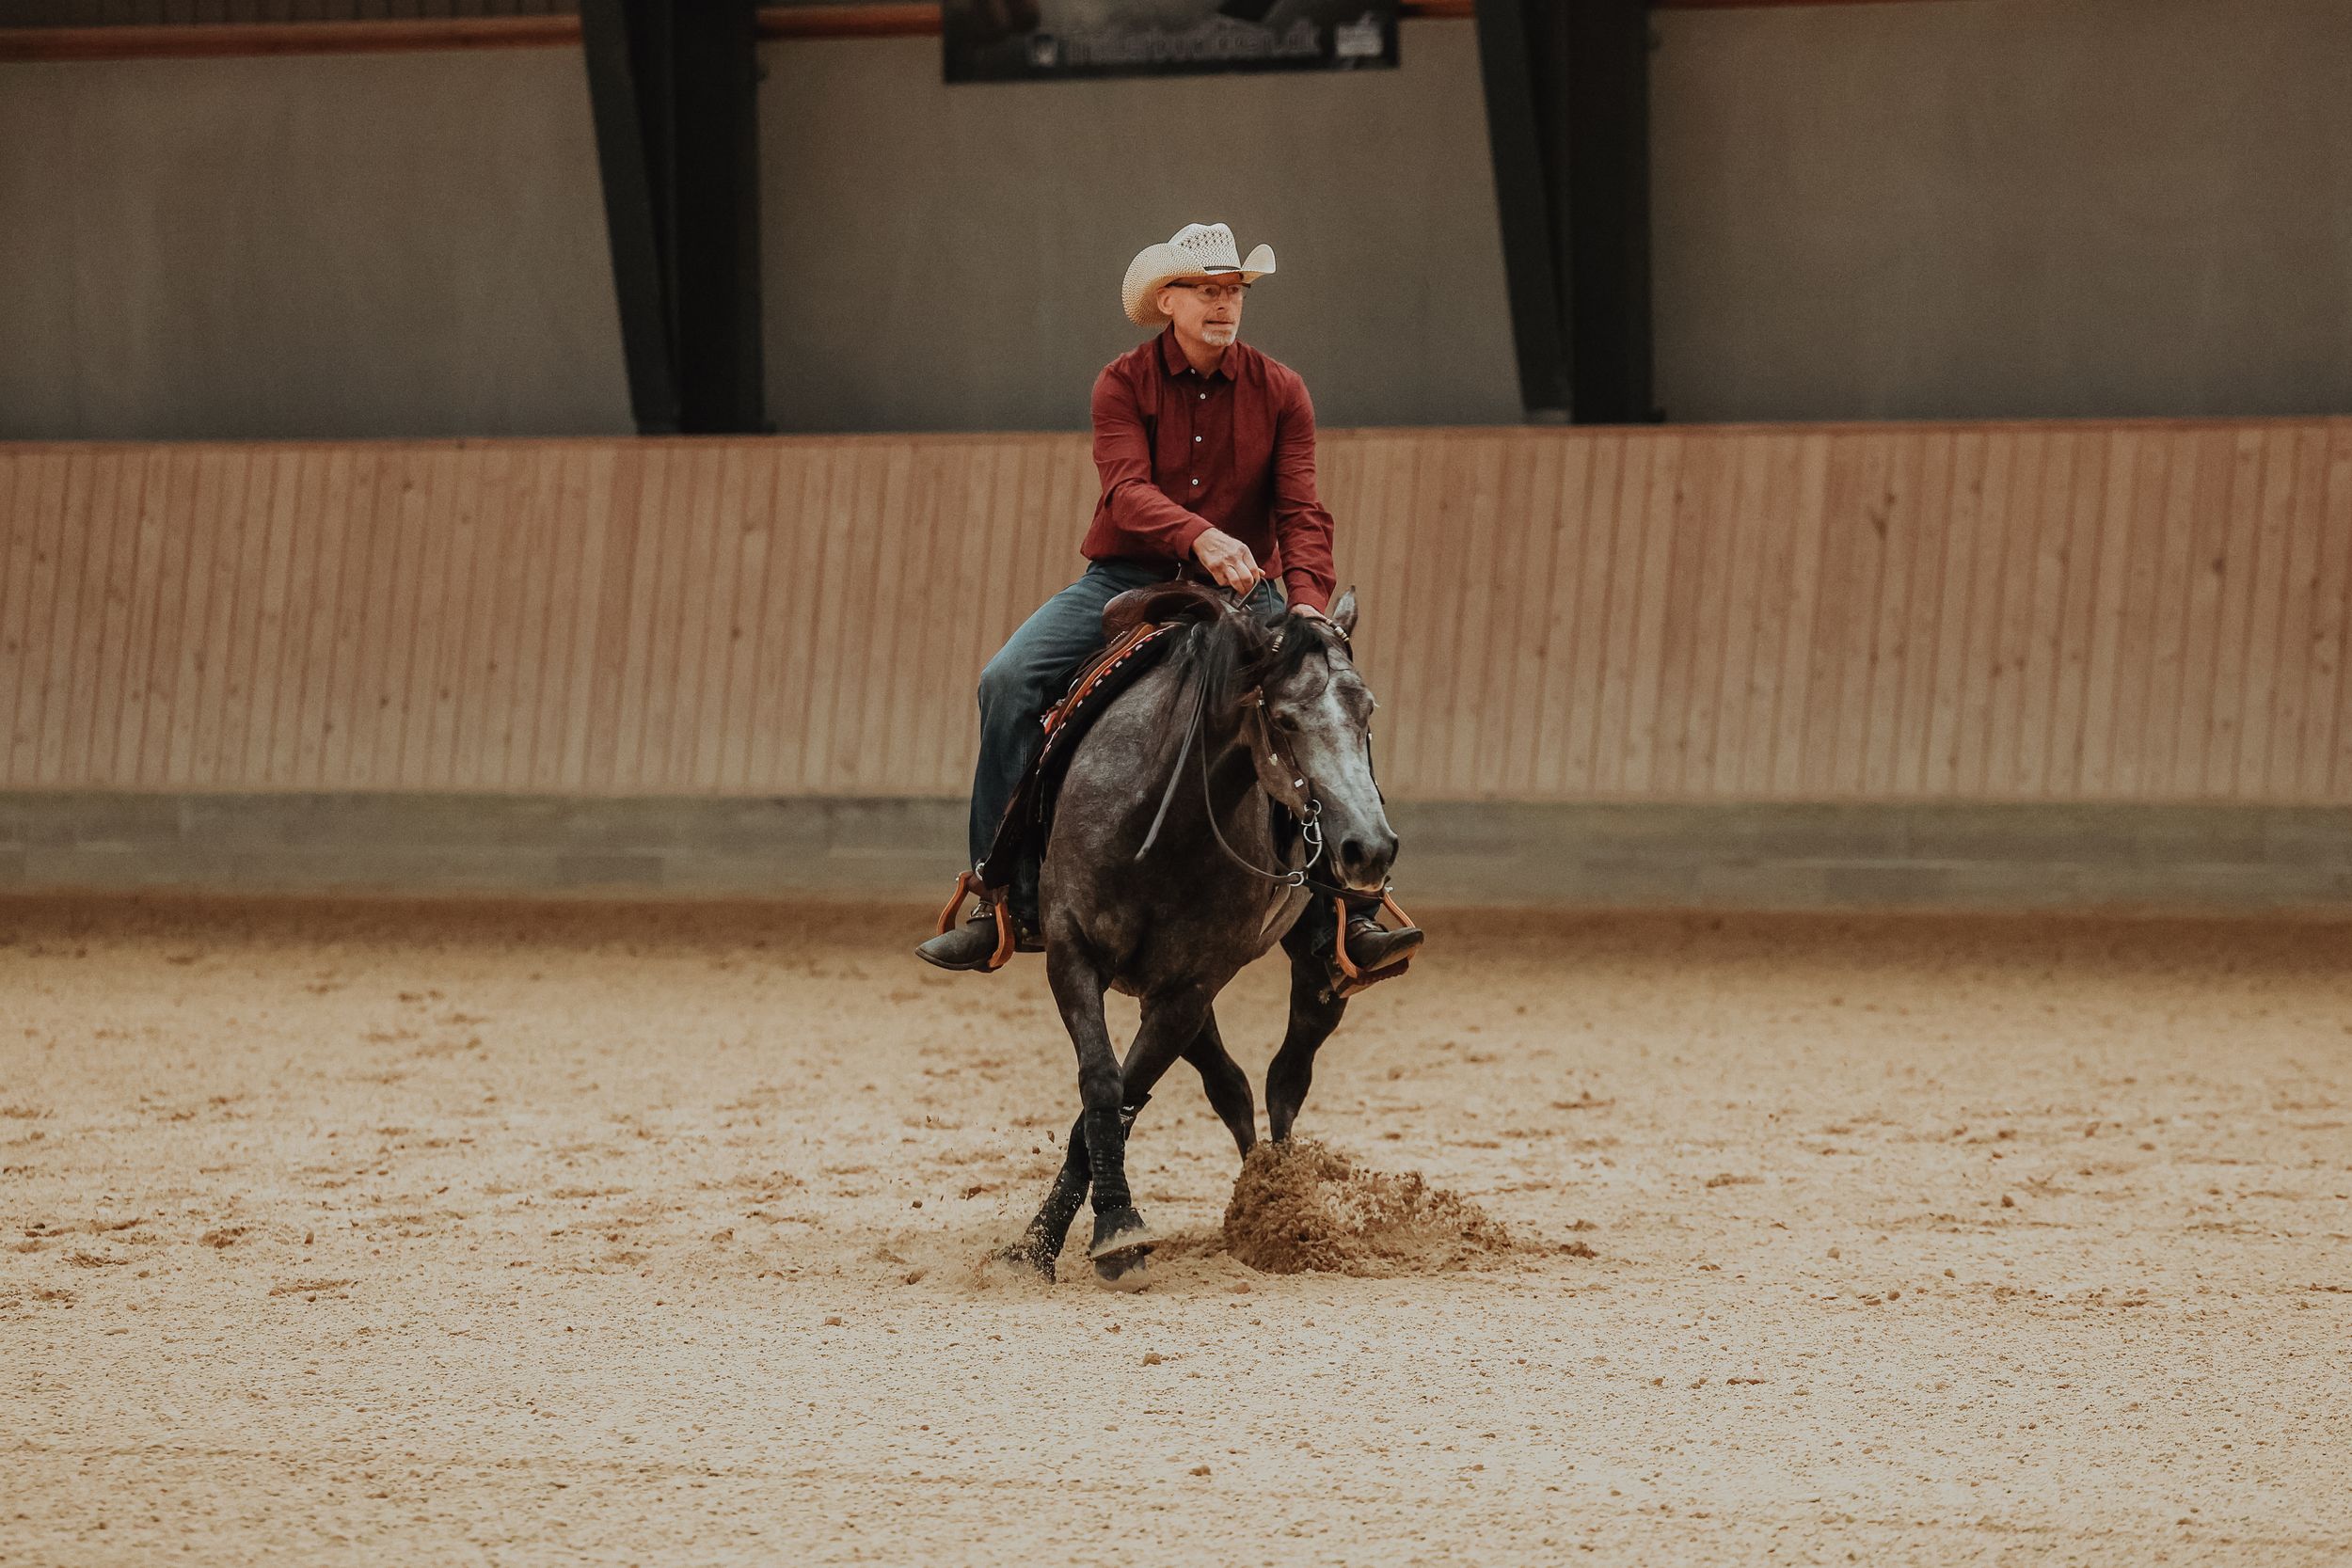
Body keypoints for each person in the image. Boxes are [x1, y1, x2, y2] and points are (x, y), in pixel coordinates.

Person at [916, 222, 1422, 980]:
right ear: (1167, 301)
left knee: (1325, 697)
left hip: (1244, 592)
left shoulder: (1282, 390)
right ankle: (1001, 897)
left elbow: (1301, 511)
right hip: (1129, 581)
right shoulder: (1122, 383)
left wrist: (1308, 602)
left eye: (1234, 290)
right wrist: (1200, 536)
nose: (1225, 304)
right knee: (1008, 681)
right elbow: (1124, 489)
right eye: (1207, 290)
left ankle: (1347, 920)